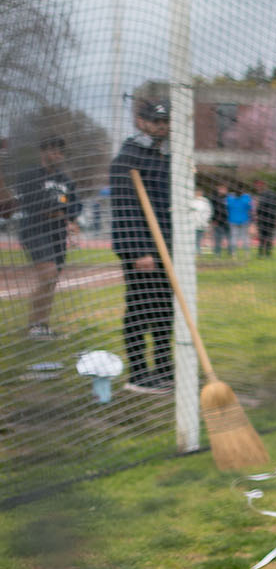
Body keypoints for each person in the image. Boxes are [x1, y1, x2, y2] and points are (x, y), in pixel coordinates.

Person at [109, 98, 176, 394]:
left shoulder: (166, 156)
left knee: (164, 310)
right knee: (140, 308)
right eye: (156, 121)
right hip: (143, 250)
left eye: (165, 121)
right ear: (141, 122)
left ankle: (164, 366)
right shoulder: (129, 157)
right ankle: (139, 372)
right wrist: (138, 250)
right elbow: (125, 208)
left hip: (167, 248)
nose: (162, 126)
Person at [20, 135, 82, 339]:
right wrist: (58, 210)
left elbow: (75, 205)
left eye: (59, 151)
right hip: (36, 230)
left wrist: (65, 215)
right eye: (52, 150)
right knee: (47, 274)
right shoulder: (31, 175)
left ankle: (43, 325)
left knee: (52, 279)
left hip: (57, 232)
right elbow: (33, 203)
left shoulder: (65, 180)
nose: (56, 155)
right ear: (43, 152)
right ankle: (34, 325)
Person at [253, 178, 276, 258]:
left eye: (258, 186)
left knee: (263, 237)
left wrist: (257, 212)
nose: (257, 187)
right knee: (268, 236)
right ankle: (267, 253)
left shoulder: (263, 196)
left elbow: (261, 207)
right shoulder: (272, 194)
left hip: (265, 219)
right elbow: (275, 207)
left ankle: (262, 253)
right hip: (270, 218)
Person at [226, 182, 253, 258]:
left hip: (233, 220)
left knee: (233, 237)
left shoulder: (229, 197)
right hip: (244, 219)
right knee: (245, 237)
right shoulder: (247, 197)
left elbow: (227, 208)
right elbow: (250, 208)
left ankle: (234, 254)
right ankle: (247, 254)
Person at [209, 183, 232, 256]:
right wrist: (213, 220)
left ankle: (231, 252)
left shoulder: (229, 198)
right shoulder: (214, 198)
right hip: (217, 221)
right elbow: (212, 210)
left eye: (224, 189)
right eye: (221, 189)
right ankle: (217, 253)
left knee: (229, 237)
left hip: (228, 220)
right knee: (218, 238)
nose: (223, 190)